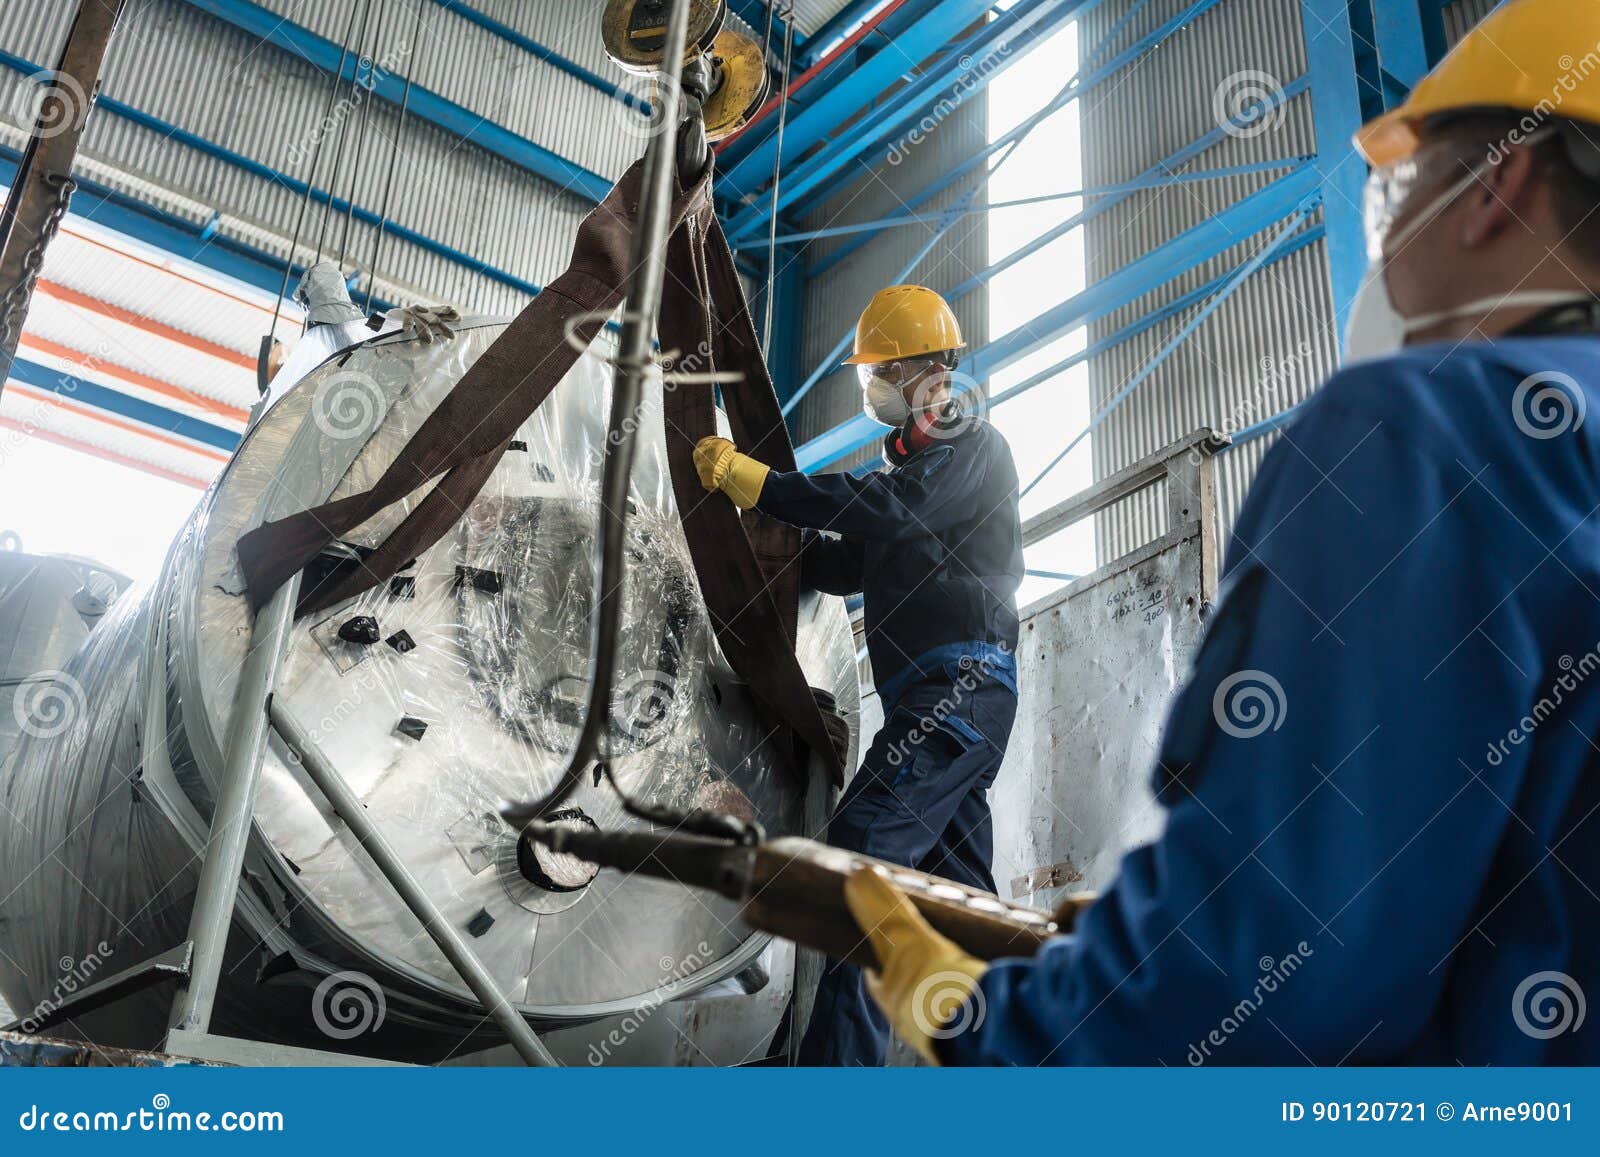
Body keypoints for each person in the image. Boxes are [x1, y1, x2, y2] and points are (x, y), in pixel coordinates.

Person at [835, 0, 1600, 1066]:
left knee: (865, 875)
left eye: (1395, 188)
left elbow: (1279, 947)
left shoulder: (1429, 428)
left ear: (1499, 184)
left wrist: (991, 1035)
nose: (1383, 231)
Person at [693, 284, 1025, 1066]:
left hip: (961, 685)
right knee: (962, 905)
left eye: (882, 371)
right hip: (934, 699)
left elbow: (887, 511)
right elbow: (847, 560)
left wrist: (762, 483)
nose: (871, 387)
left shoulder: (972, 448)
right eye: (866, 374)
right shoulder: (914, 479)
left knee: (862, 853)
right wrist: (765, 542)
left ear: (927, 373)